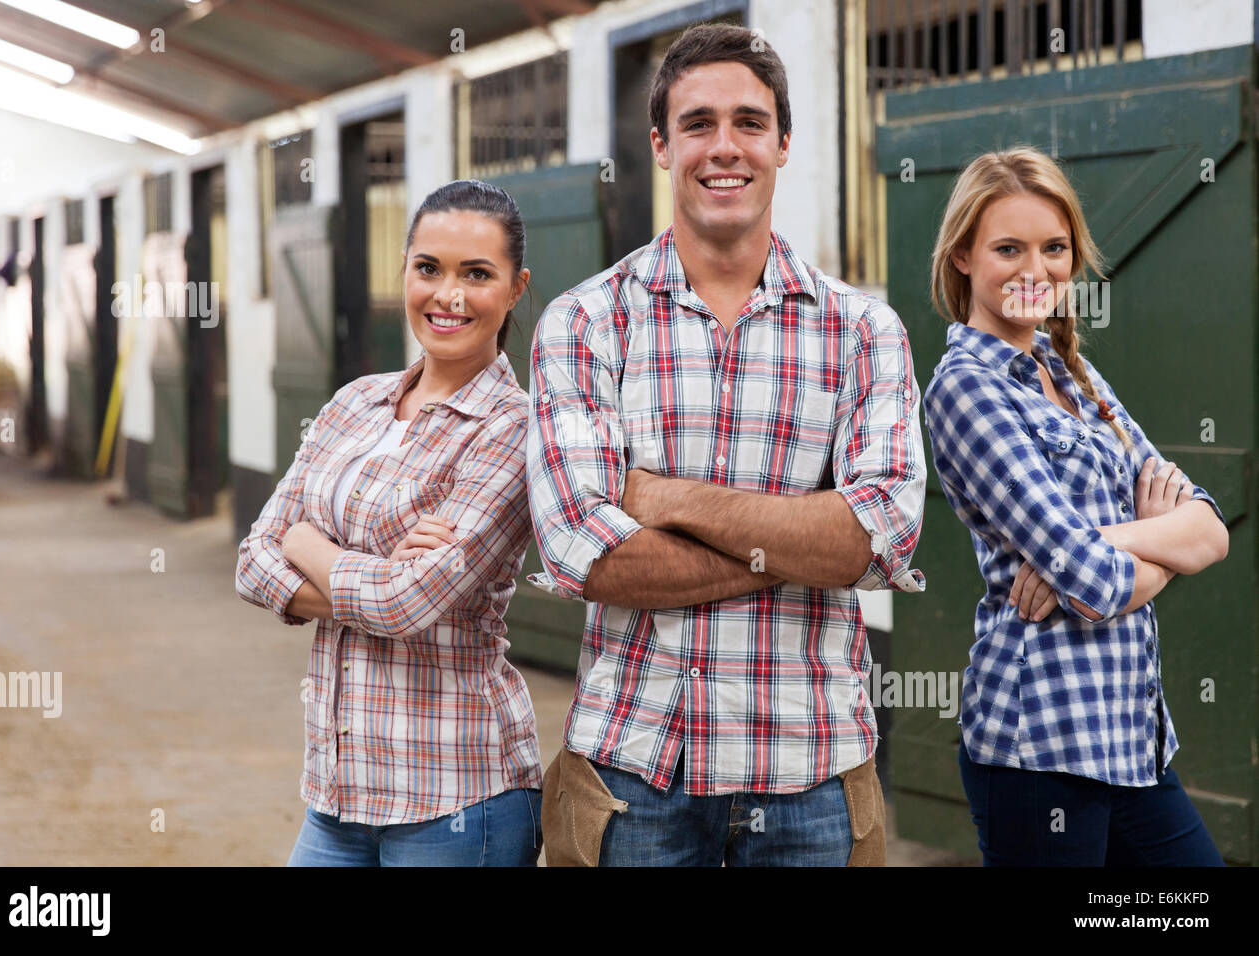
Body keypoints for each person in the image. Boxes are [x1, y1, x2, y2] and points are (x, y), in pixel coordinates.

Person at [526, 23, 926, 867]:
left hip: (810, 769)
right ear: (662, 147)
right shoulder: (586, 322)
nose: (724, 147)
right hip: (632, 773)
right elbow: (584, 557)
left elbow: (878, 536)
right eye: (698, 123)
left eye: (749, 122)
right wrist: (800, 541)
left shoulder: (863, 332)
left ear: (783, 143)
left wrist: (668, 500)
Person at [922, 146, 1229, 866]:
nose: (1038, 269)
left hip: (1132, 739)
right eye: (1009, 247)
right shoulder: (966, 388)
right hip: (1042, 750)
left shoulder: (1075, 373)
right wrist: (1156, 542)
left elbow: (1210, 527)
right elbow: (1096, 586)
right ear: (964, 255)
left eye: (1054, 247)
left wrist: (1117, 537)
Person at [235, 180, 545, 866]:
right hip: (337, 793)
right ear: (403, 268)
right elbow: (252, 559)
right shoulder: (355, 403)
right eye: (429, 268)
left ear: (516, 287)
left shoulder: (511, 429)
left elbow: (405, 603)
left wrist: (307, 541)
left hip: (457, 798)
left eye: (477, 274)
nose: (448, 295)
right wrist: (374, 573)